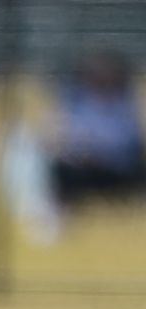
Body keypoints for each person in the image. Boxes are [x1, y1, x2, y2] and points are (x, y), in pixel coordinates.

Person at [48, 51, 146, 209]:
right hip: (84, 167)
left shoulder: (125, 101)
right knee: (60, 171)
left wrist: (108, 157)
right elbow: (66, 138)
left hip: (118, 167)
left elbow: (130, 138)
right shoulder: (75, 101)